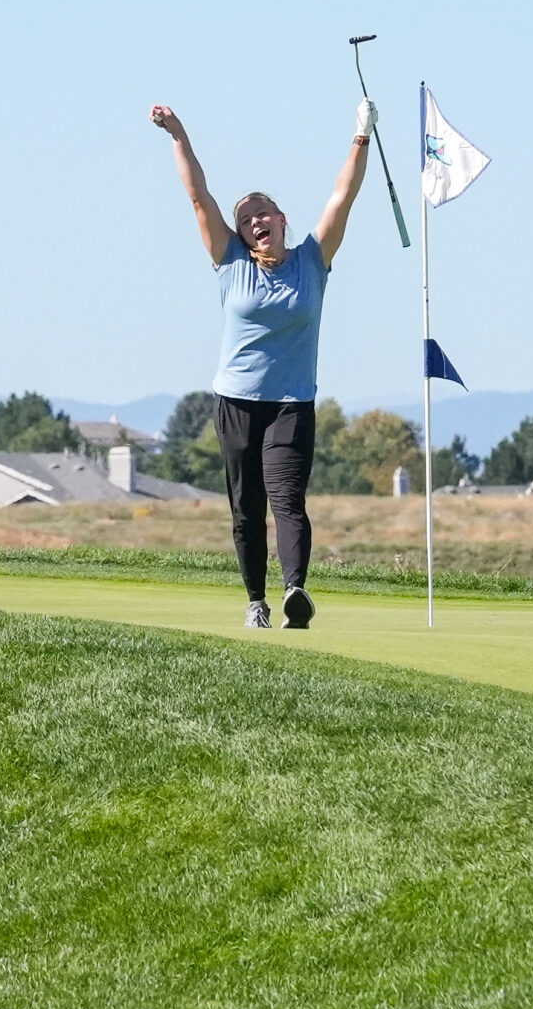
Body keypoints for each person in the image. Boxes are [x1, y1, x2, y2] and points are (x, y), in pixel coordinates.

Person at [149, 99, 372, 629]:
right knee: (247, 507)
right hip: (236, 403)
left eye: (263, 214)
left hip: (292, 403)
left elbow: (344, 196)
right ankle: (256, 602)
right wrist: (177, 134)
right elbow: (198, 195)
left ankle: (295, 590)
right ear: (242, 233)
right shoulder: (229, 261)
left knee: (287, 499)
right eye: (246, 220)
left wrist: (360, 137)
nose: (255, 222)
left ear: (281, 220)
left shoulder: (313, 259)